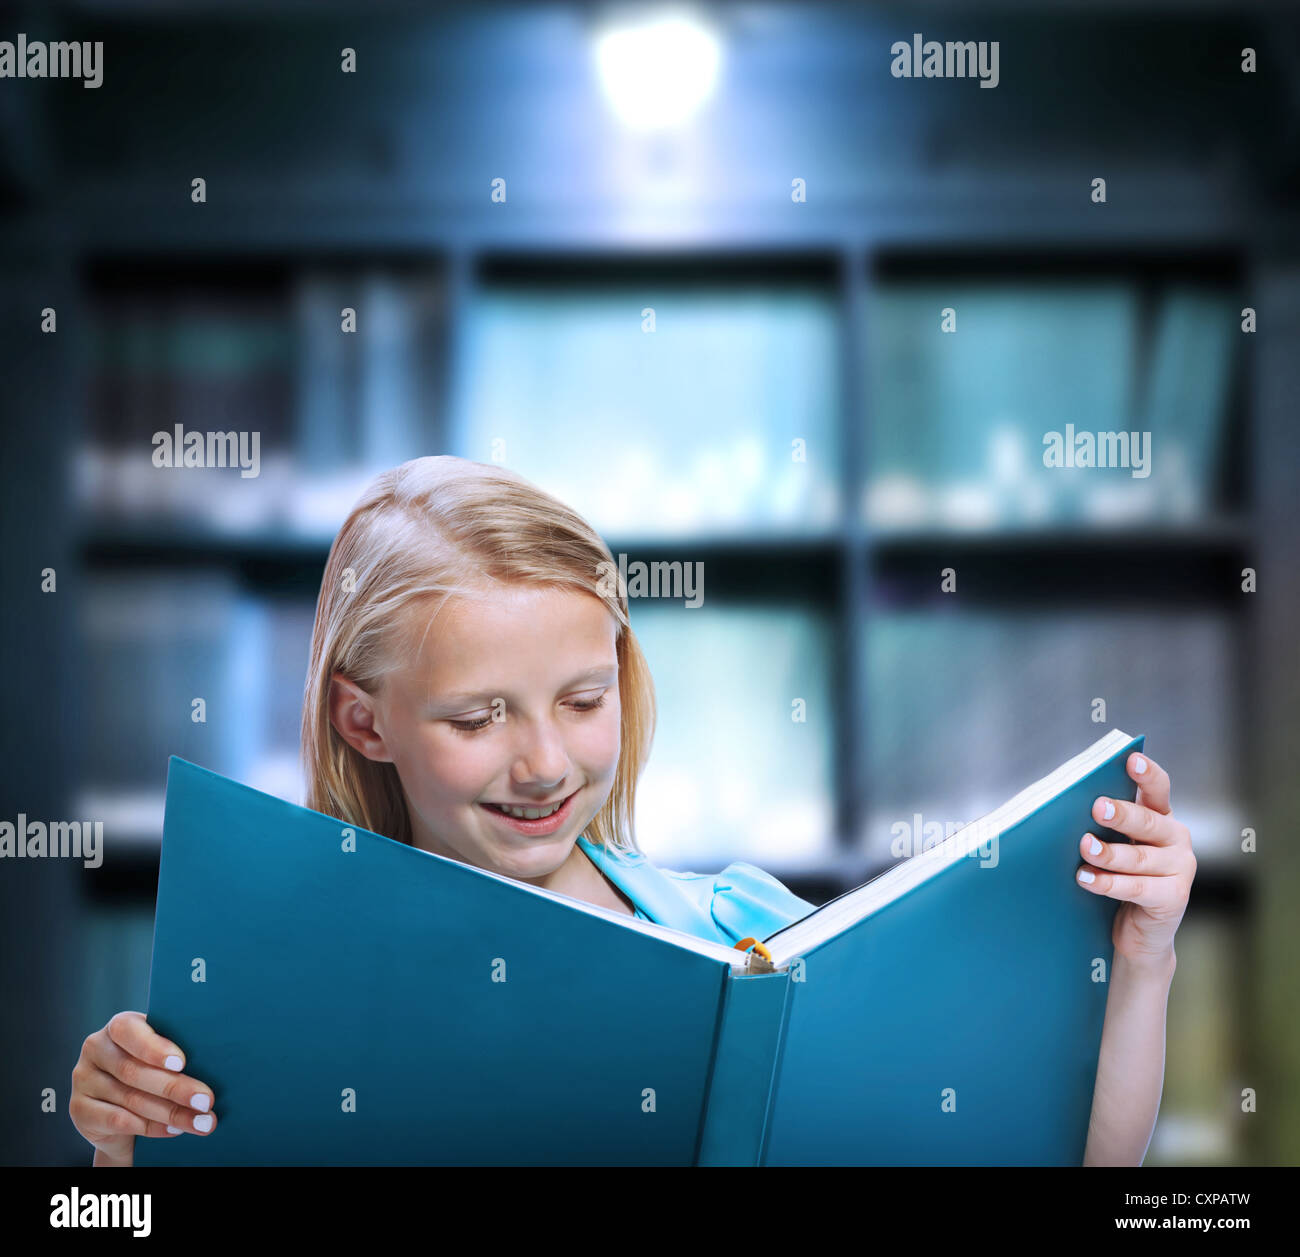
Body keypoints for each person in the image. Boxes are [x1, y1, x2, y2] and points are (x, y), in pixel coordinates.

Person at [69, 456, 1195, 1167]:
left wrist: (1139, 963)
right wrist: (113, 1163)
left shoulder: (748, 938)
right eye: (477, 719)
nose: (545, 761)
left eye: (582, 699)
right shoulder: (262, 1000)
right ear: (366, 724)